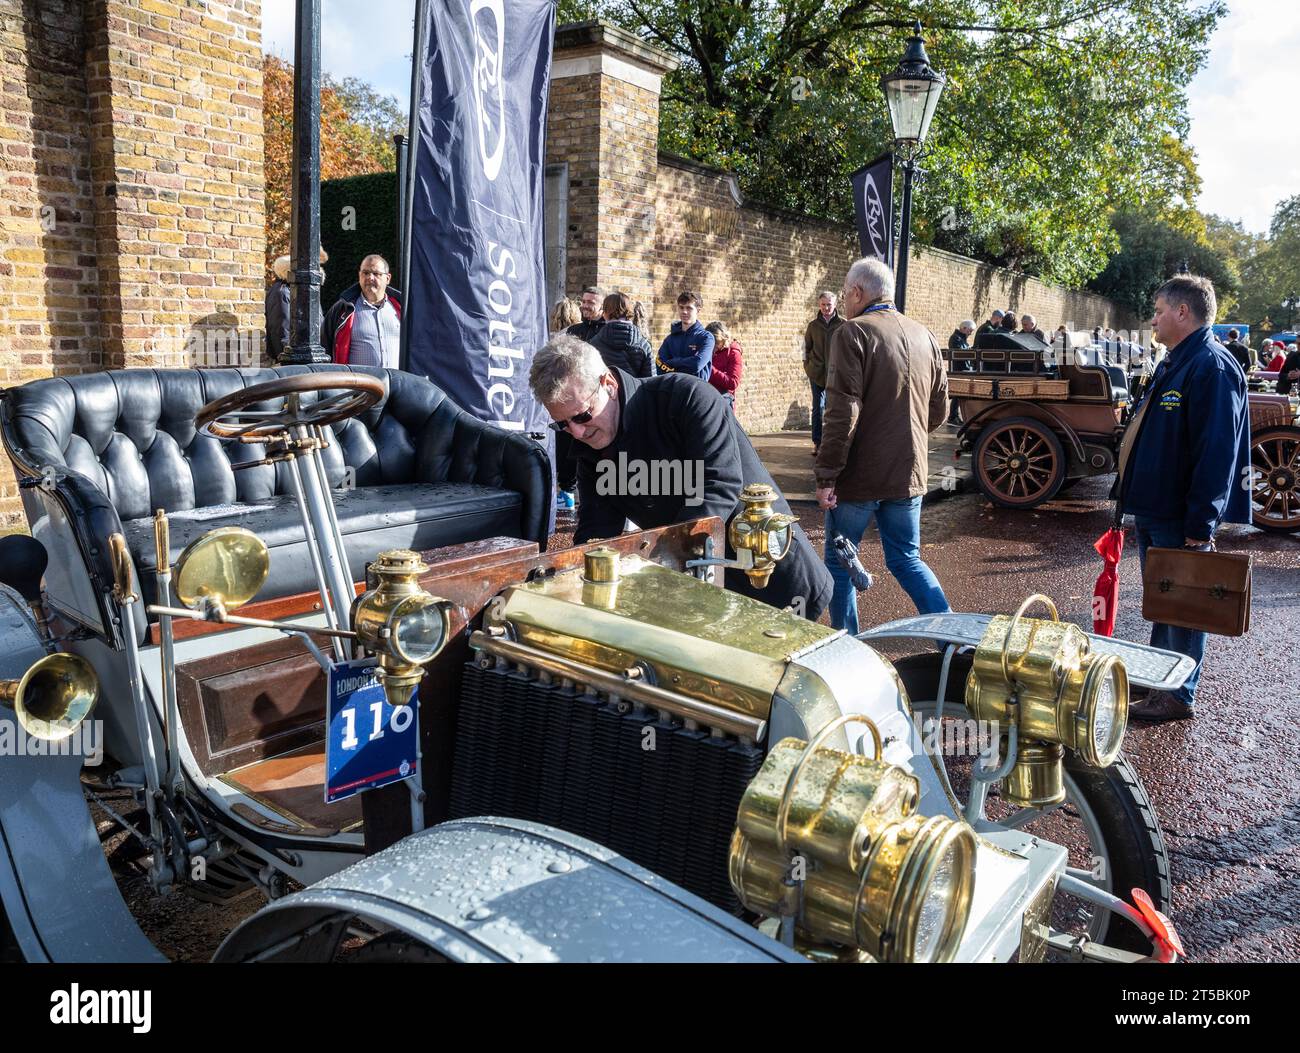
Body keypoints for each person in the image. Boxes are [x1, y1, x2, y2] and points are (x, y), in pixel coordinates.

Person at [529, 336, 832, 618]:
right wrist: (578, 579)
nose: (578, 432)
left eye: (582, 415)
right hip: (702, 595)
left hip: (770, 578)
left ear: (608, 383)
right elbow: (597, 528)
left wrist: (658, 565)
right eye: (563, 425)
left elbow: (719, 488)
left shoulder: (685, 398)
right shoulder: (592, 446)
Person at [1120, 275, 1250, 723]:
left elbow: (1217, 453)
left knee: (1185, 605)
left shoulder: (1212, 366)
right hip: (1155, 507)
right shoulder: (1176, 361)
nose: (1153, 320)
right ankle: (1161, 677)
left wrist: (1202, 525)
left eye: (1158, 311)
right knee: (1165, 601)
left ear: (1182, 312)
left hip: (1180, 514)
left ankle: (1178, 693)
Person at [815, 258, 950, 635]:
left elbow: (842, 411)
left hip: (860, 475)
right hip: (909, 472)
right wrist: (907, 437)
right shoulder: (924, 334)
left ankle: (849, 644)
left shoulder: (851, 333)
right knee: (908, 559)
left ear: (858, 292)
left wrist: (827, 474)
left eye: (845, 293)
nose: (844, 301)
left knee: (840, 562)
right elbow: (940, 408)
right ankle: (953, 640)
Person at [322, 253, 401, 367]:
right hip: (358, 384)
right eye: (365, 273)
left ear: (387, 278)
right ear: (359, 275)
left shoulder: (401, 309)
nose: (370, 277)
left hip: (397, 383)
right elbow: (325, 348)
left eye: (376, 273)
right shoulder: (343, 310)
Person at [804, 292, 843, 452]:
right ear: (819, 305)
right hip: (816, 373)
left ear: (835, 305)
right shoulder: (813, 326)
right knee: (818, 408)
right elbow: (805, 348)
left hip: (836, 374)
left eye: (829, 304)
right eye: (823, 305)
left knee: (833, 409)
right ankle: (817, 443)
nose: (826, 308)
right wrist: (808, 367)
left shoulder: (843, 325)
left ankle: (831, 442)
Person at [588, 292, 653, 377]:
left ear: (605, 313)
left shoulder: (593, 344)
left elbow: (589, 378)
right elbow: (651, 381)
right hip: (635, 389)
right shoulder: (644, 345)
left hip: (606, 389)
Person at [655, 291, 714, 379]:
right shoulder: (670, 339)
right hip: (673, 389)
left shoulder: (706, 338)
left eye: (689, 308)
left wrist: (673, 362)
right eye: (681, 307)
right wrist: (686, 364)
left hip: (696, 390)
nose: (684, 311)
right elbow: (660, 367)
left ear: (698, 310)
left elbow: (697, 365)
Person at [704, 320, 744, 409]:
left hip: (722, 403)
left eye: (716, 343)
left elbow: (733, 382)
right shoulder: (707, 348)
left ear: (724, 339)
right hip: (705, 399)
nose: (713, 347)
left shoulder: (733, 352)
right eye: (710, 343)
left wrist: (710, 369)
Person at [266, 256, 291, 358]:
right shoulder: (282, 292)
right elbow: (281, 329)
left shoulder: (288, 290)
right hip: (290, 360)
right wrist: (286, 357)